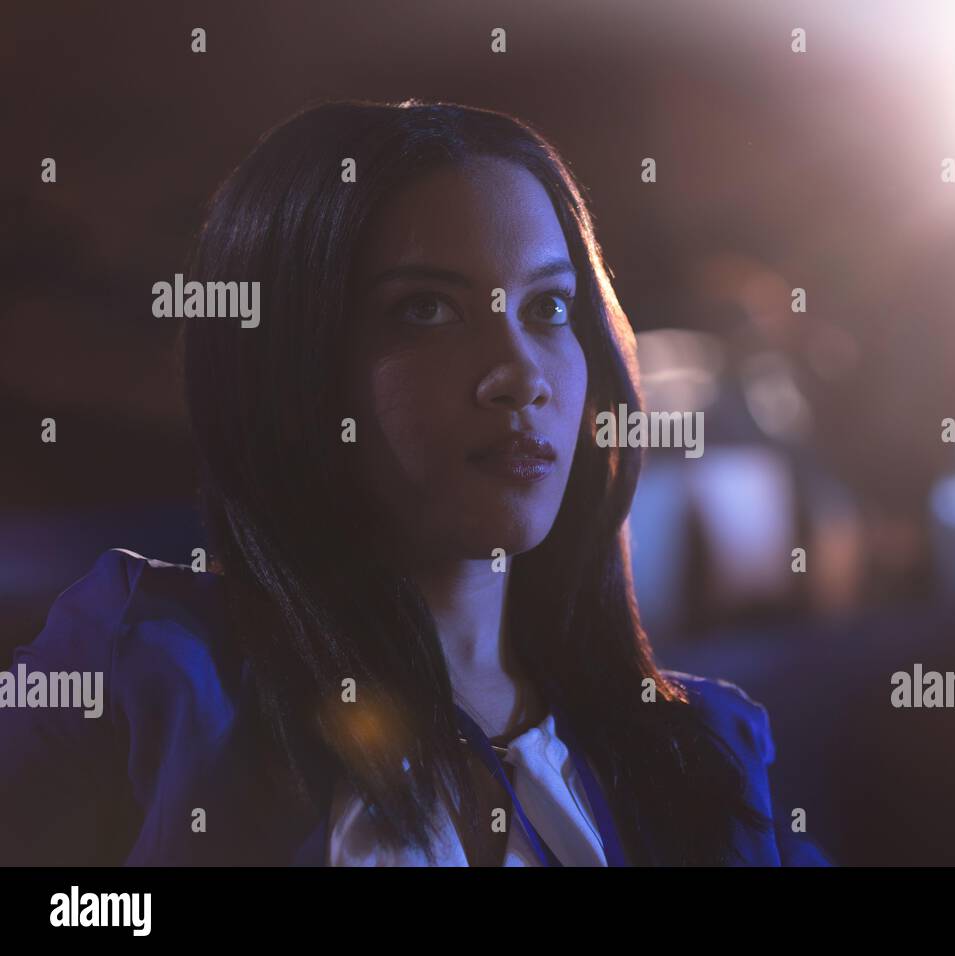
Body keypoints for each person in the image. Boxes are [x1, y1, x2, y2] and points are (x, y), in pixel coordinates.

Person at [0, 99, 831, 867]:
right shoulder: (147, 670)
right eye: (426, 310)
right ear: (293, 363)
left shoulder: (703, 747)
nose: (518, 375)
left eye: (548, 310)